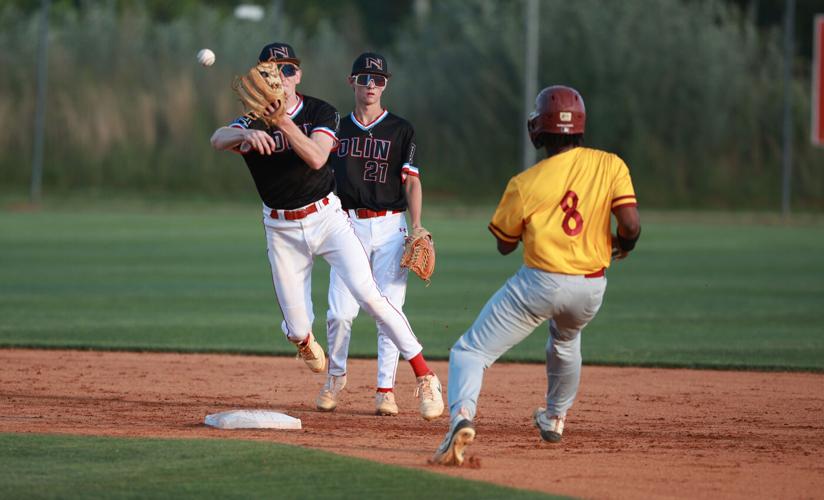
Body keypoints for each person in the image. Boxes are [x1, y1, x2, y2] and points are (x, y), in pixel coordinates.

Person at [210, 42, 444, 421]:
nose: (279, 78)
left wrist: (282, 121)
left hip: (329, 219)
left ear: (298, 76)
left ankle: (426, 376)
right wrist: (242, 136)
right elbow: (217, 139)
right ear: (258, 78)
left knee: (371, 297)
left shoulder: (321, 111)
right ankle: (304, 342)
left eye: (287, 70)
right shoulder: (251, 120)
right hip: (280, 229)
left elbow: (318, 156)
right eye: (271, 71)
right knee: (299, 327)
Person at [430, 85, 641, 465]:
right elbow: (630, 224)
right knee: (565, 338)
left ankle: (461, 419)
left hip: (540, 283)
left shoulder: (525, 183)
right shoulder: (611, 164)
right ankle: (555, 417)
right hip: (591, 286)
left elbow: (504, 245)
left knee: (471, 350)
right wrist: (624, 245)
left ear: (539, 130)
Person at [315, 52, 425, 416]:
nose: (372, 85)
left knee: (389, 311)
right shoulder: (337, 130)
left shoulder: (400, 129)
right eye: (365, 78)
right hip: (346, 226)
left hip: (391, 226)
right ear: (352, 82)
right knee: (339, 313)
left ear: (385, 84)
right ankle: (335, 377)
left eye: (378, 79)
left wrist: (418, 225)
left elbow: (411, 181)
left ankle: (385, 390)